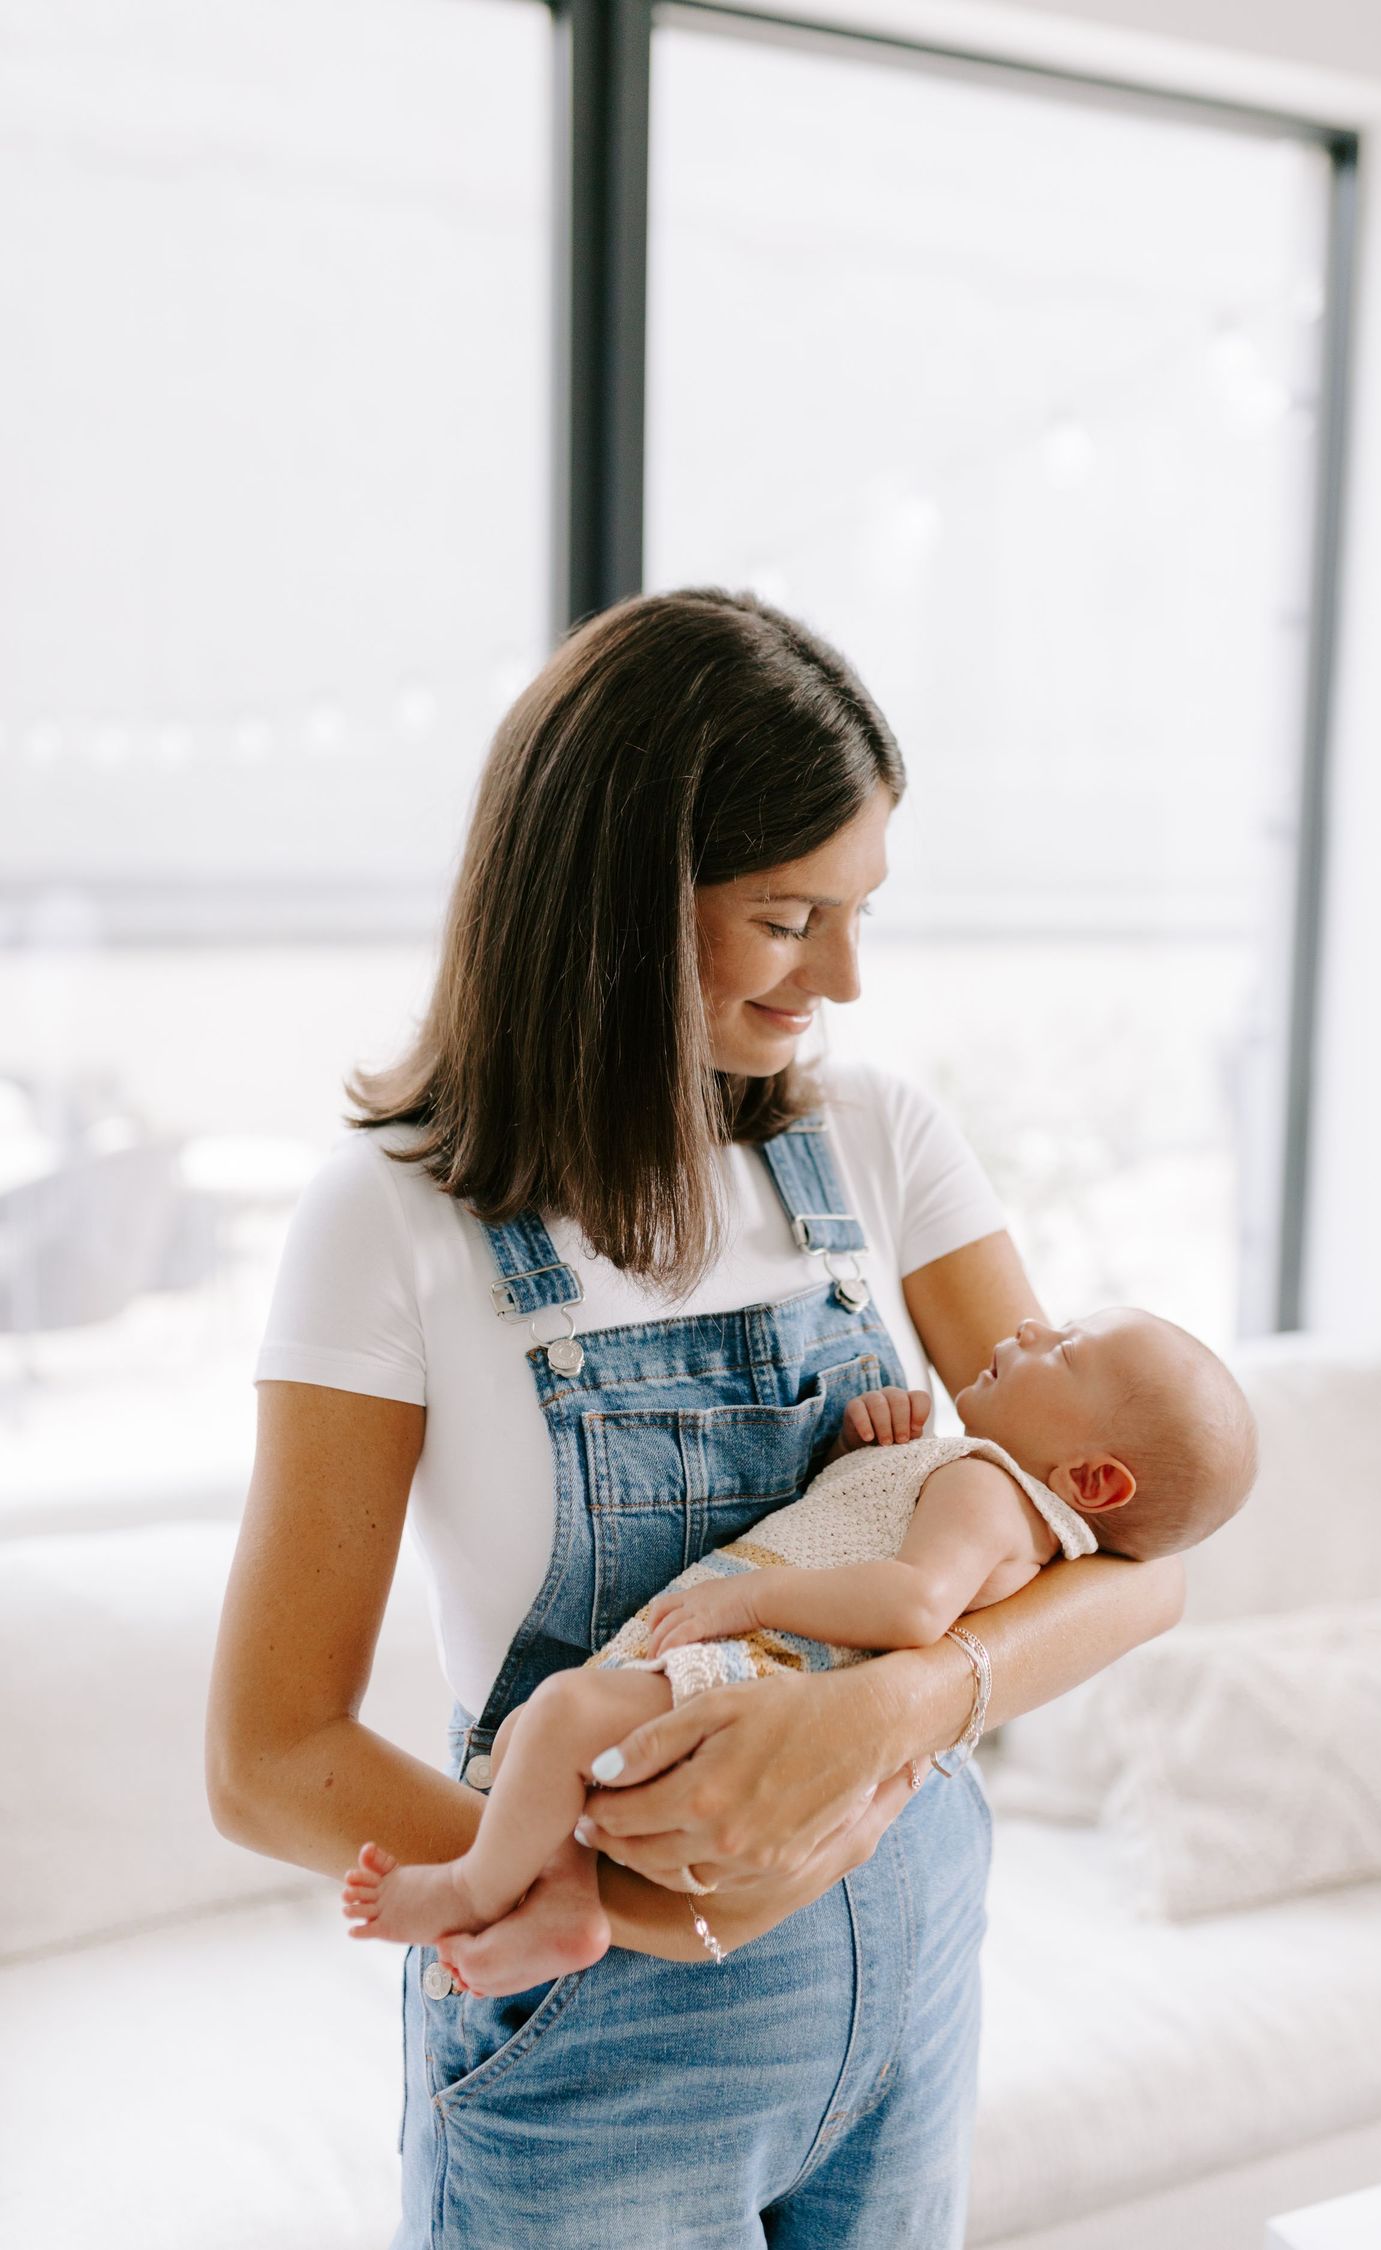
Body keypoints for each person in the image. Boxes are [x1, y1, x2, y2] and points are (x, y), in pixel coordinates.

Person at [206, 586, 1187, 2250]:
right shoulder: (389, 1221)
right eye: (790, 917)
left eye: (860, 911)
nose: (847, 977)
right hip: (601, 2049)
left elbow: (1138, 1557)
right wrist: (622, 1895)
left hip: (910, 1968)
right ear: (615, 904)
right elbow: (268, 1758)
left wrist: (893, 1712)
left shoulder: (879, 1139)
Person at [338, 1311, 1254, 1963]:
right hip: (765, 1685)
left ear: (1093, 1481)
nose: (1030, 1327)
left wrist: (750, 1600)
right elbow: (865, 1533)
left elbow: (912, 1605)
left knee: (555, 1720)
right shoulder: (987, 1492)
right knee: (551, 1749)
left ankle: (471, 1889)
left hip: (763, 1669)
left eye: (1066, 1351)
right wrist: (871, 1454)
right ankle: (568, 1901)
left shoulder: (986, 1486)